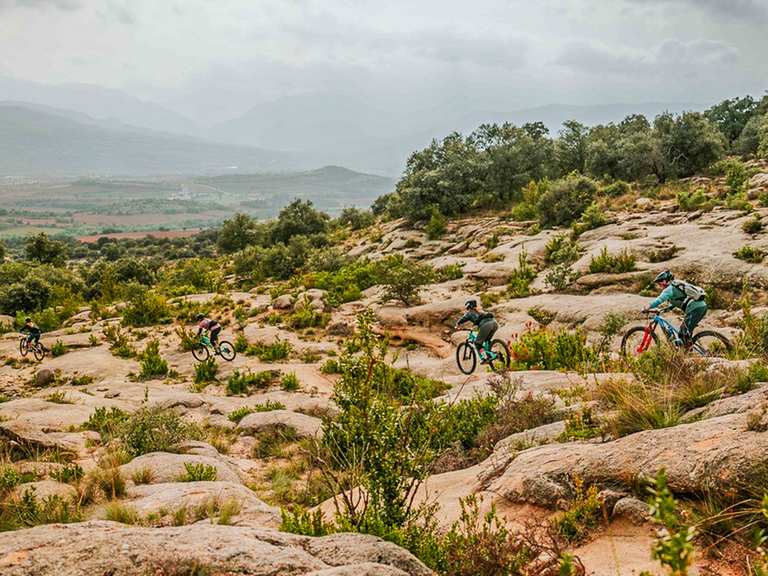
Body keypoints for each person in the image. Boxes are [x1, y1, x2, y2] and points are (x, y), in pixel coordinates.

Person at [643, 270, 707, 346]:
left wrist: (648, 306)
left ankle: (687, 351)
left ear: (664, 281)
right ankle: (687, 350)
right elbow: (680, 301)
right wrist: (666, 309)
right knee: (685, 333)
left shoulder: (669, 289)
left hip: (695, 309)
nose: (659, 285)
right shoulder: (675, 286)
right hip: (701, 307)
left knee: (682, 333)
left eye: (659, 283)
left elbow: (659, 300)